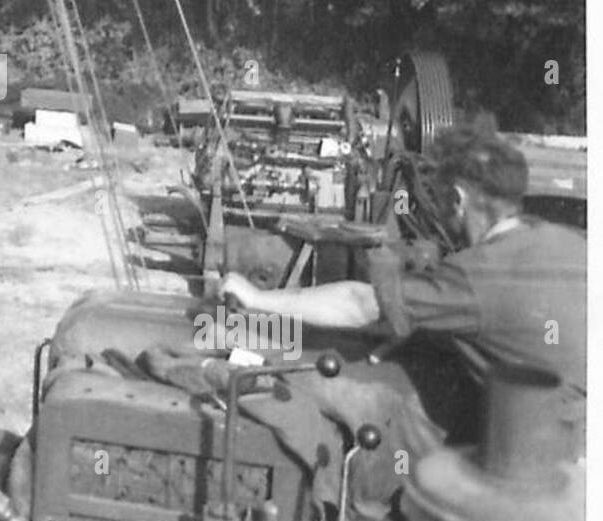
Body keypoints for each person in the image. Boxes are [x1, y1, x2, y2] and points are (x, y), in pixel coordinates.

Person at [221, 121, 586, 459]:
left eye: (441, 201)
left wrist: (257, 299)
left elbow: (360, 303)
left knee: (367, 406)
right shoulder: (569, 243)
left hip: (540, 458)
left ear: (458, 200)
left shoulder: (475, 276)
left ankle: (365, 509)